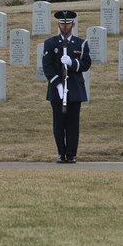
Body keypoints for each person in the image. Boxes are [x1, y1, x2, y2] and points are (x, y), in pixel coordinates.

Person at [42, 10, 91, 164]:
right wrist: (57, 84)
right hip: (57, 90)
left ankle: (71, 153)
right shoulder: (50, 43)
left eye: (67, 23)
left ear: (73, 24)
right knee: (58, 123)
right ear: (58, 25)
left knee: (72, 123)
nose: (65, 26)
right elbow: (47, 66)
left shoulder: (80, 43)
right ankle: (60, 153)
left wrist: (73, 63)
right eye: (62, 24)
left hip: (75, 89)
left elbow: (86, 64)